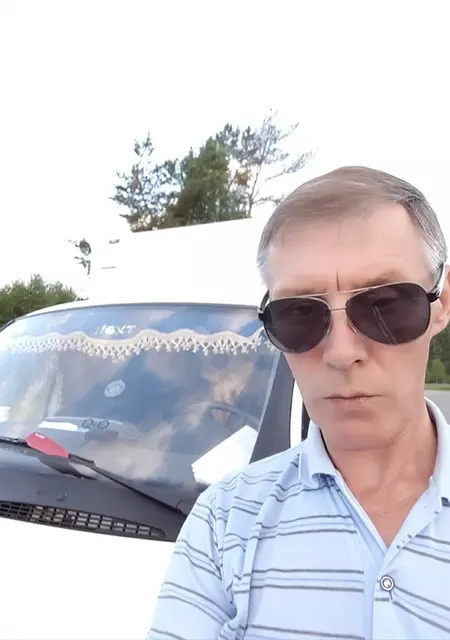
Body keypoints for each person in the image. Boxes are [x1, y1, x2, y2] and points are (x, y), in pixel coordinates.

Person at [147, 166, 450, 640]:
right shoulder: (224, 523)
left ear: (441, 303)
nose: (341, 352)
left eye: (385, 305)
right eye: (300, 314)